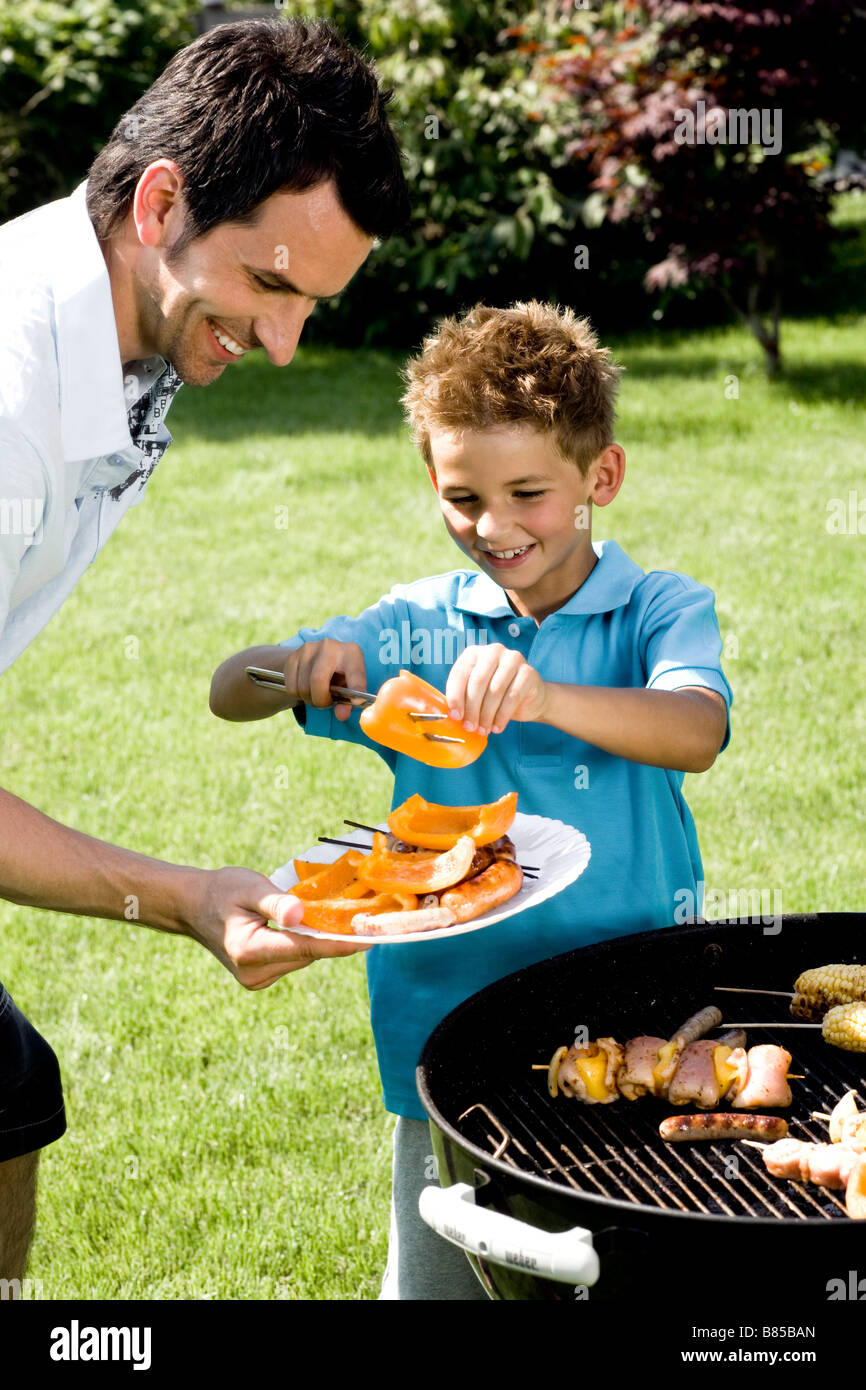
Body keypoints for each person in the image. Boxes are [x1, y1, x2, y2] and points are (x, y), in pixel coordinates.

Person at [208, 300, 733, 1299]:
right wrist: (294, 667)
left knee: (621, 1263)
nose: (492, 529)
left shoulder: (657, 608)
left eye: (526, 493)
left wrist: (544, 696)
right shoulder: (412, 626)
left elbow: (693, 730)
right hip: (448, 1039)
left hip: (629, 1016)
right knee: (441, 1279)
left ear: (599, 479)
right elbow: (227, 687)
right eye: (461, 498)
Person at [0, 16, 409, 1282]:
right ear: (161, 199)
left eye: (310, 308)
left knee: (9, 1094)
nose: (283, 345)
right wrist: (182, 896)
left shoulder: (133, 328)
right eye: (272, 288)